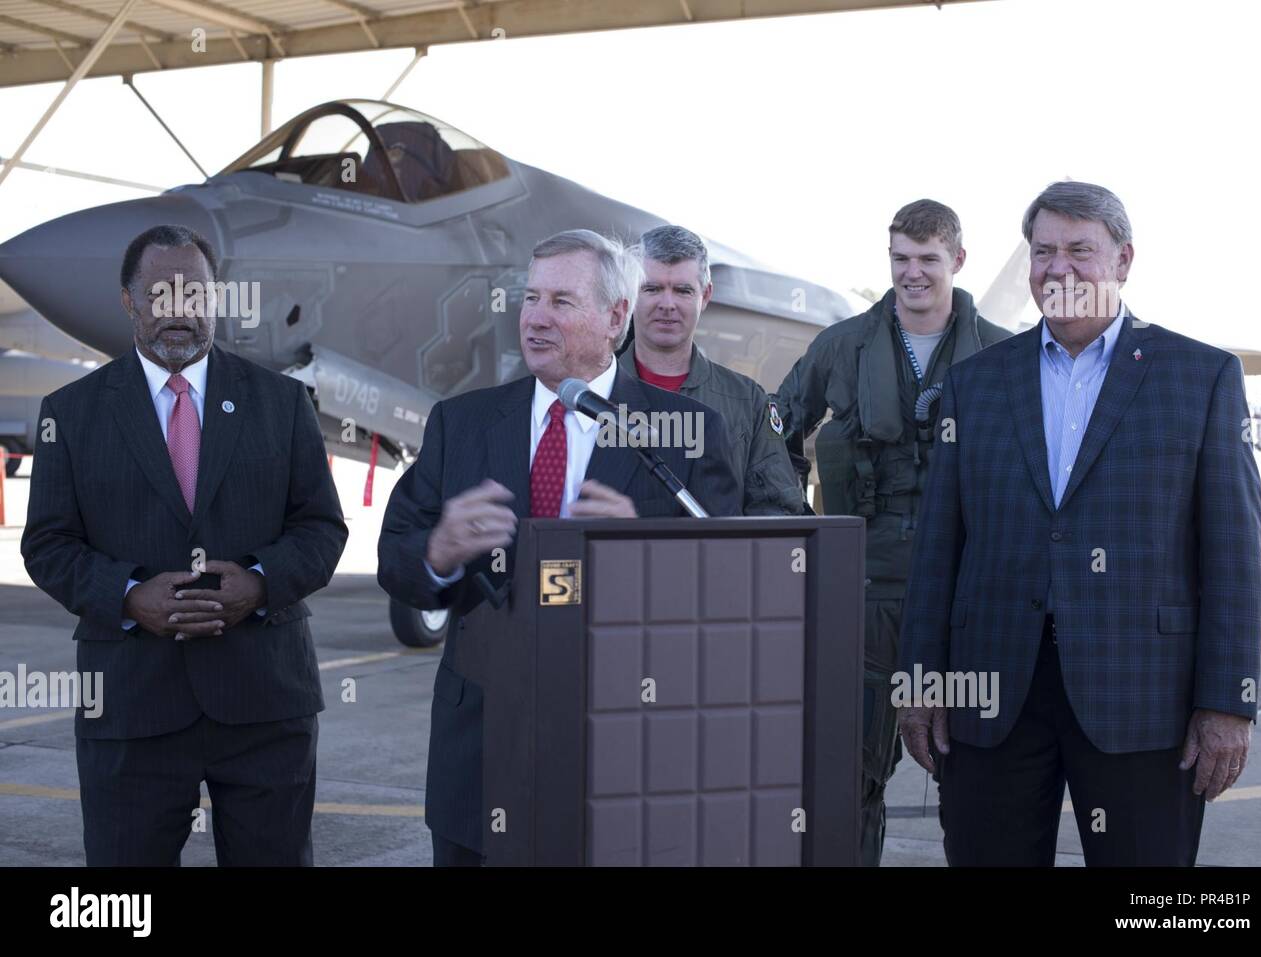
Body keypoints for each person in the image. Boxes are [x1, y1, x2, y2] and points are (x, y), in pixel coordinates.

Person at [897, 181, 1261, 866]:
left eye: (1079, 250)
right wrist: (921, 682)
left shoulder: (1201, 377)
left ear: (1123, 260)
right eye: (1042, 251)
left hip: (1143, 699)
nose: (1057, 268)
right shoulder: (974, 384)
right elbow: (939, 545)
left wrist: (1228, 702)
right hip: (993, 694)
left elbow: (1235, 554)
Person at [377, 229, 742, 866]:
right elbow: (396, 558)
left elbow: (728, 592)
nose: (536, 319)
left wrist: (641, 562)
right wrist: (437, 553)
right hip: (483, 752)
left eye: (562, 302)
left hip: (625, 748)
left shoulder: (684, 434)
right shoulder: (461, 424)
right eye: (530, 299)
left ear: (615, 318)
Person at [21, 224, 348, 865]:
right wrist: (126, 594)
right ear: (128, 301)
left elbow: (322, 529)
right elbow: (48, 544)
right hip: (131, 706)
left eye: (193, 293)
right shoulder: (73, 411)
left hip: (264, 704)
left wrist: (258, 583)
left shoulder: (282, 404)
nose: (178, 310)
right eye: (159, 293)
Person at [775, 199, 1011, 865]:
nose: (912, 273)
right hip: (865, 590)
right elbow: (773, 431)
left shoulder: (1001, 351)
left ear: (957, 261)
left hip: (972, 597)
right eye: (900, 259)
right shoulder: (841, 347)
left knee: (979, 778)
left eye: (927, 259)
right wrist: (800, 530)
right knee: (848, 775)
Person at [620, 225, 803, 514]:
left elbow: (777, 510)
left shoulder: (747, 403)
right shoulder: (590, 393)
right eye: (652, 288)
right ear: (628, 293)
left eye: (682, 290)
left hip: (716, 559)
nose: (667, 304)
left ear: (705, 296)